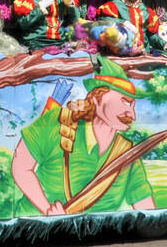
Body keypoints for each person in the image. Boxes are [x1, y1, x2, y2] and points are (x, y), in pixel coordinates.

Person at [10, 58, 157, 215]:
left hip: (98, 237)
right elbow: (20, 167)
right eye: (124, 102)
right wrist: (48, 211)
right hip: (33, 231)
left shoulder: (127, 153)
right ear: (96, 99)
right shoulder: (57, 121)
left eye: (133, 106)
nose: (132, 114)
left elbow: (145, 205)